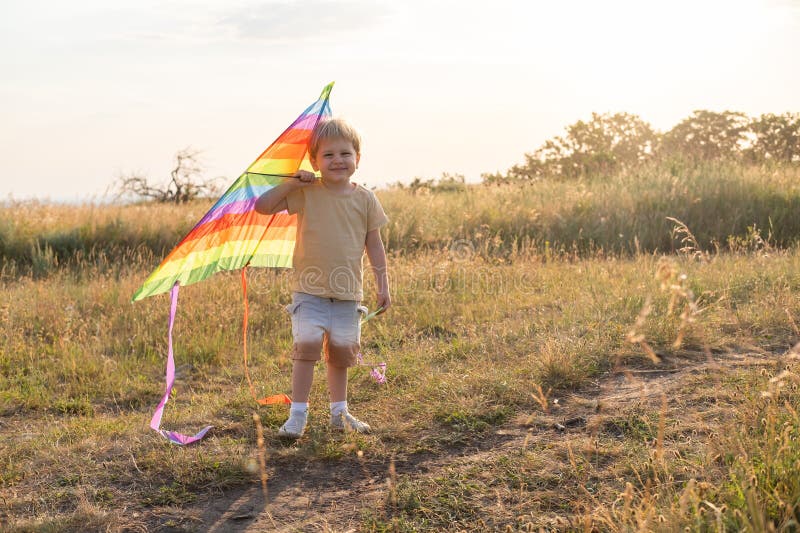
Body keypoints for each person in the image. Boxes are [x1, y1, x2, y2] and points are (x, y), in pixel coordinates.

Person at [254, 117, 391, 438]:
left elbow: (375, 244)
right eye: (328, 155)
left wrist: (383, 285)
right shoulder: (308, 192)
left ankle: (339, 412)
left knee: (341, 355)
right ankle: (297, 414)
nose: (337, 161)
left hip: (348, 294)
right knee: (306, 350)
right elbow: (263, 206)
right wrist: (291, 183)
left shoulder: (366, 198)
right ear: (314, 162)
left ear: (358, 158)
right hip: (309, 292)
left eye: (345, 154)